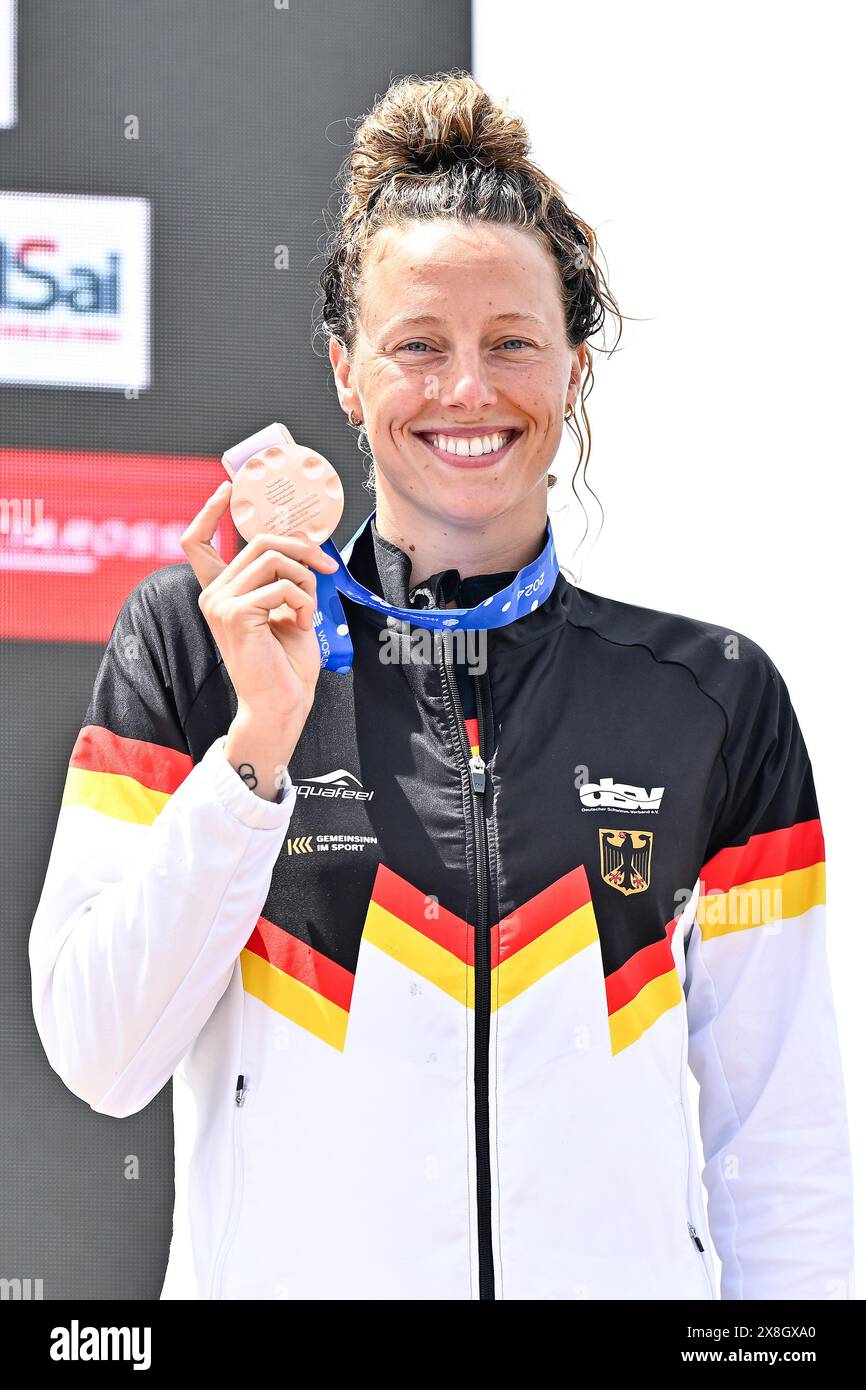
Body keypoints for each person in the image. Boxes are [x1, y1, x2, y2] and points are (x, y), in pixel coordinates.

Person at [28, 71, 855, 1302]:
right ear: (345, 372)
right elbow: (102, 1055)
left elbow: (779, 1154)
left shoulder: (711, 700)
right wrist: (255, 749)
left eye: (510, 342)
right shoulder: (198, 646)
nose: (467, 388)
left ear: (571, 369)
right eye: (417, 345)